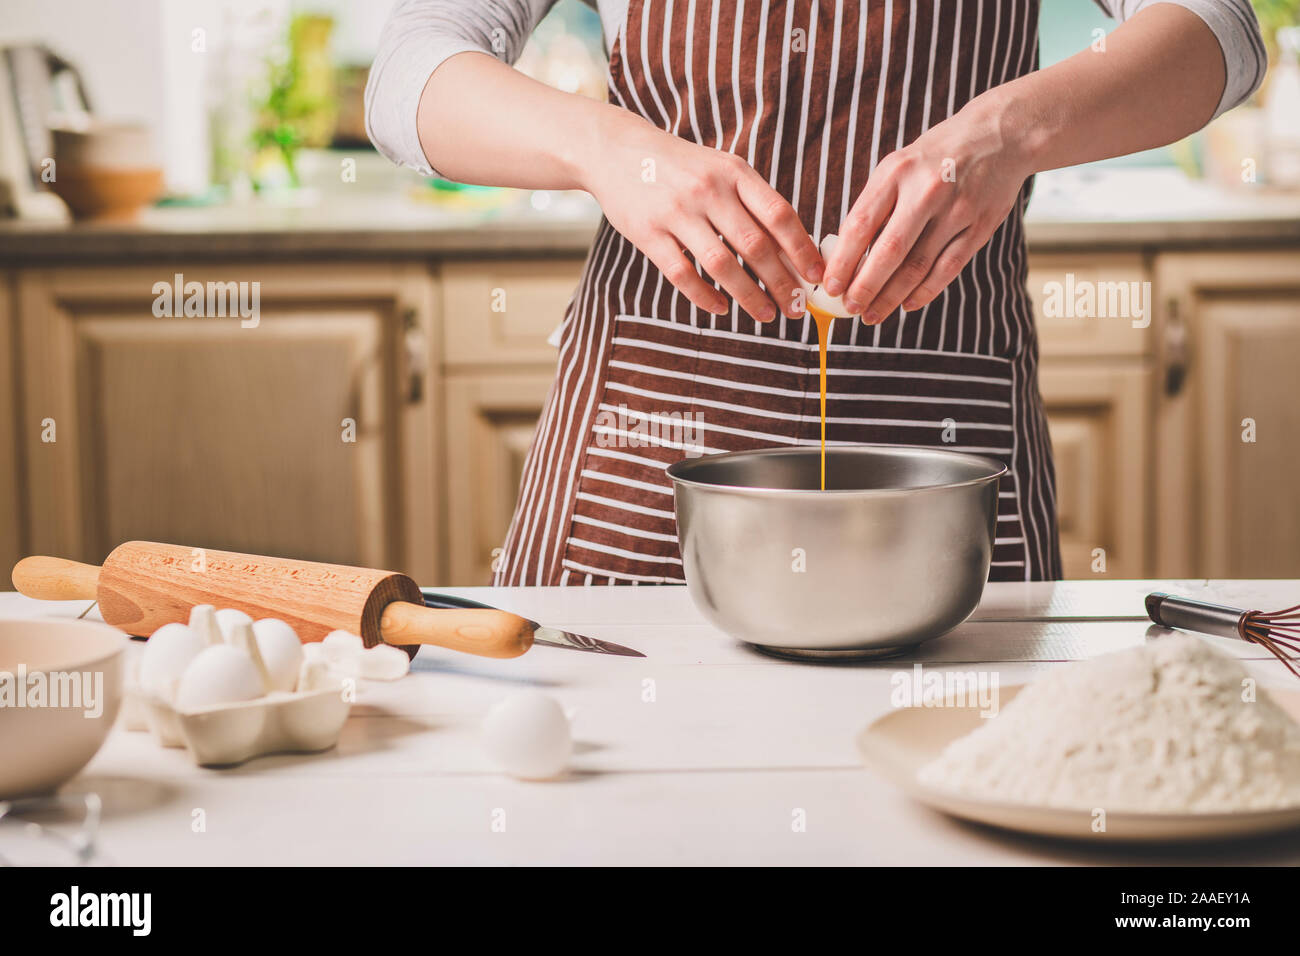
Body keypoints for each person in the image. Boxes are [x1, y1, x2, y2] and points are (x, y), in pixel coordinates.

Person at [367, 0, 1265, 585]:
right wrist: (606, 149)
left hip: (944, 462)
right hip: (641, 470)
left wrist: (1011, 130)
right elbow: (409, 71)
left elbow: (1219, 31)